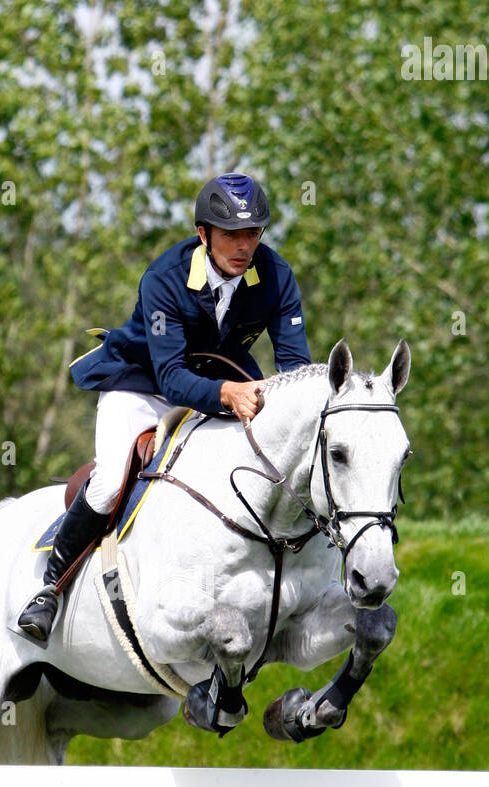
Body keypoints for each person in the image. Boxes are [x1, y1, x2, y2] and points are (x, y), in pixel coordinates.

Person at [17, 171, 312, 643]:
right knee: (111, 483)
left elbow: (296, 368)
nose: (243, 245)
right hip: (142, 384)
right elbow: (172, 377)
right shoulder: (165, 278)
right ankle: (49, 589)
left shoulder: (275, 276)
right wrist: (229, 394)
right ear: (203, 234)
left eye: (252, 233)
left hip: (219, 387)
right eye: (230, 234)